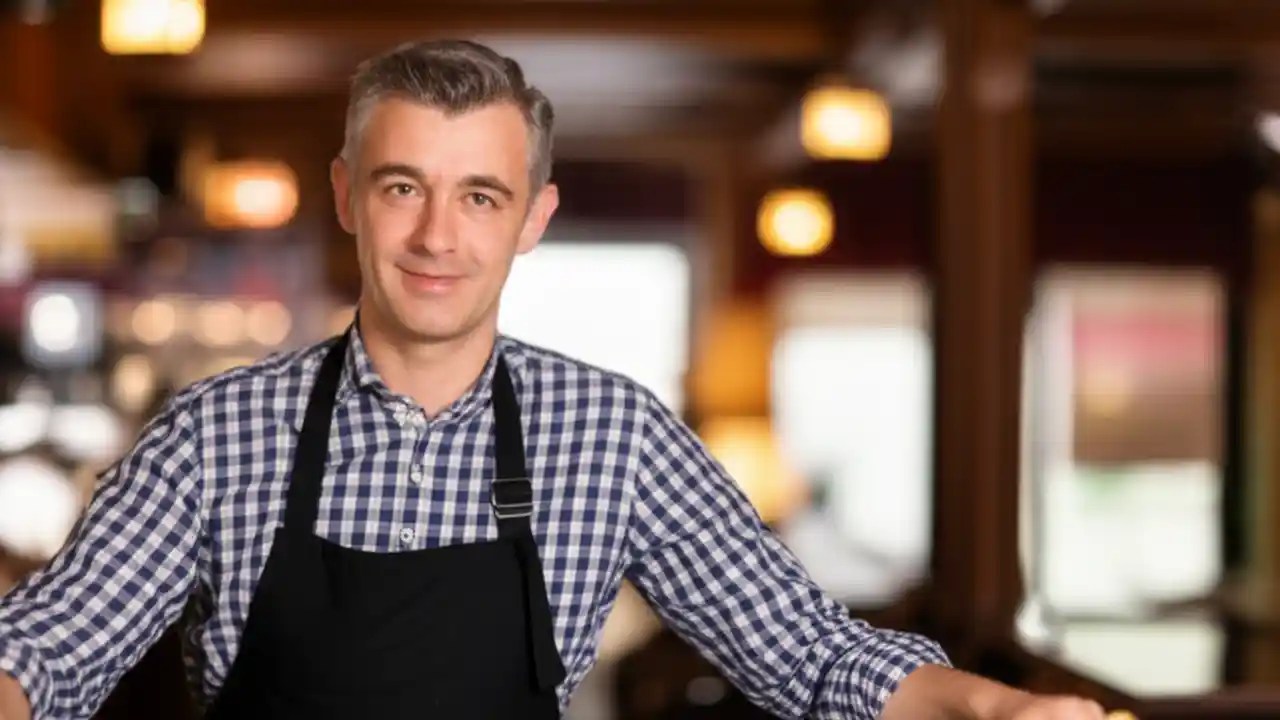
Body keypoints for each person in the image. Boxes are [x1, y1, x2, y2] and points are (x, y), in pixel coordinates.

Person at [0, 39, 1110, 720]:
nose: (437, 236)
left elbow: (813, 659)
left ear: (533, 218)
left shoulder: (610, 433)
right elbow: (49, 652)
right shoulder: (215, 432)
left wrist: (993, 709)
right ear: (345, 196)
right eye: (402, 187)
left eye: (479, 197)